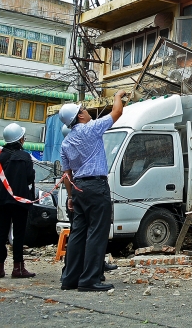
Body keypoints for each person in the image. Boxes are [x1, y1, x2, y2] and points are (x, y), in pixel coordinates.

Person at [59, 90, 126, 292]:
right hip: (96, 187)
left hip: (78, 188)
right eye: (85, 109)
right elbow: (117, 112)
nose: (88, 112)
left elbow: (66, 174)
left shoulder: (65, 143)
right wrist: (117, 95)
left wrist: (70, 197)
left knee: (78, 233)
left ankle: (70, 278)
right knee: (97, 232)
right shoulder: (91, 129)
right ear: (80, 115)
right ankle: (89, 279)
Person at [0, 124, 35, 279]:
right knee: (18, 234)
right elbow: (30, 178)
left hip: (1, 200)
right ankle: (18, 268)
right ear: (20, 139)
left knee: (1, 233)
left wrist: (1, 186)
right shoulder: (25, 157)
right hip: (20, 201)